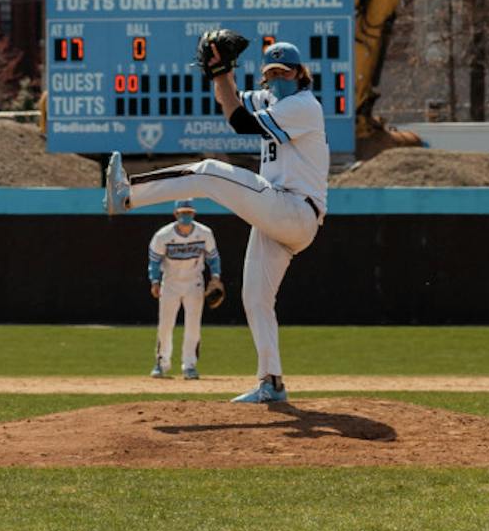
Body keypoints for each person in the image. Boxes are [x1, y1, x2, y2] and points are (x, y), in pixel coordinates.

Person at [105, 38, 328, 404]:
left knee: (207, 172)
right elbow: (232, 102)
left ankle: (127, 194)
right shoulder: (274, 99)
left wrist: (223, 71)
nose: (277, 77)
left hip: (295, 210)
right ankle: (271, 383)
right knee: (255, 299)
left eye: (284, 71)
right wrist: (222, 73)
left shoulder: (304, 105)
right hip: (279, 216)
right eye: (271, 73)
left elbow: (241, 124)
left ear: (300, 73)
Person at [147, 201, 222, 380]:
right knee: (165, 325)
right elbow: (154, 260)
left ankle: (189, 366)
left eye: (189, 212)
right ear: (175, 214)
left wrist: (216, 278)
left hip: (194, 282)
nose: (185, 216)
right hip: (170, 283)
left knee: (193, 326)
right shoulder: (163, 235)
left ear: (194, 214)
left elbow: (213, 257)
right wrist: (155, 281)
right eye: (182, 212)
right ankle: (161, 363)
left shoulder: (204, 233)